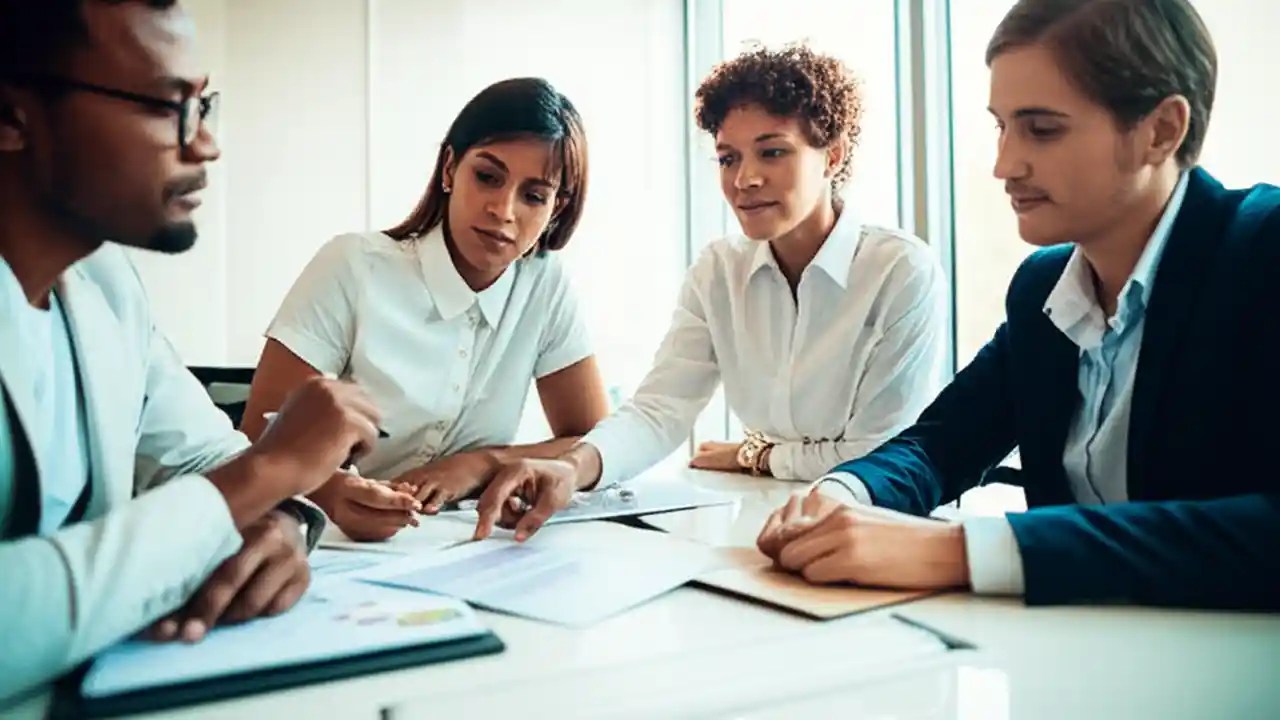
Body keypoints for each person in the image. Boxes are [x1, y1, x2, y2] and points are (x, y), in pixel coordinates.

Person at [757, 0, 1280, 611]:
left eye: (1042, 129)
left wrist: (958, 551)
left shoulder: (1262, 253)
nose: (1005, 165)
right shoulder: (1043, 288)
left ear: (1161, 130)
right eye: (1001, 127)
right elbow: (942, 441)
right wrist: (845, 494)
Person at [0, 0, 381, 708]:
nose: (205, 144)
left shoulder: (106, 287)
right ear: (12, 115)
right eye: (165, 106)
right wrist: (270, 470)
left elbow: (206, 459)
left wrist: (284, 523)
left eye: (204, 104)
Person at [470, 45, 948, 542]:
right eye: (728, 158)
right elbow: (659, 411)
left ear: (833, 155)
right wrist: (572, 467)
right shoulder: (719, 270)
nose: (745, 179)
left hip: (875, 525)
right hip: (763, 519)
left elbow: (877, 453)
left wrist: (755, 455)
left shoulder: (900, 271)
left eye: (773, 151)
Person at [241, 78, 609, 541]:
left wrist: (481, 464)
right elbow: (259, 436)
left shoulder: (545, 285)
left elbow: (596, 444)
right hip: (333, 542)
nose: (503, 210)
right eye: (488, 177)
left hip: (464, 546)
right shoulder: (353, 265)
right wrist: (332, 492)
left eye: (533, 195)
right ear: (450, 169)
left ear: (557, 208)